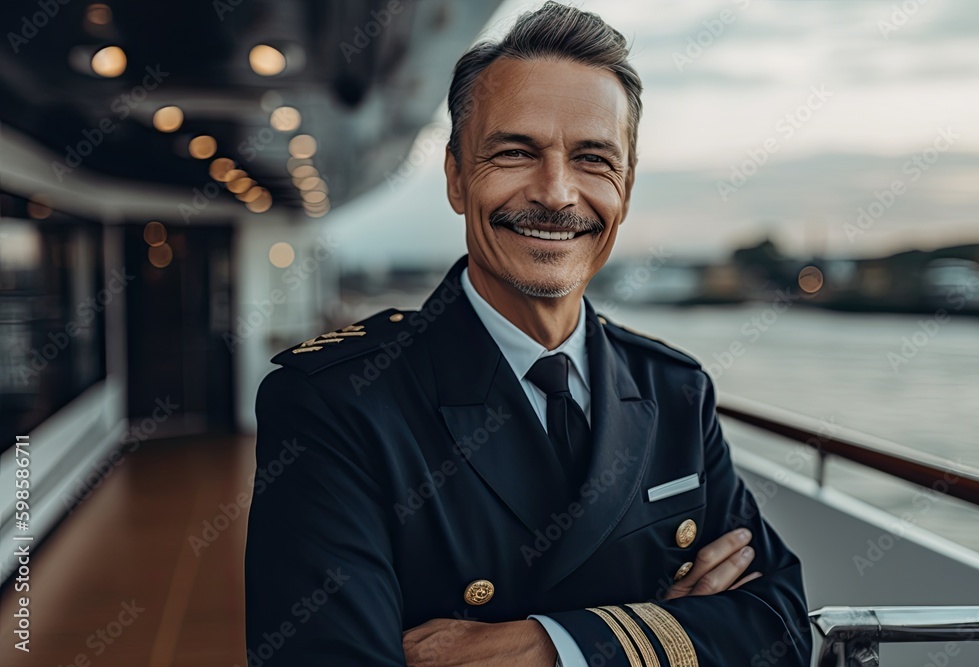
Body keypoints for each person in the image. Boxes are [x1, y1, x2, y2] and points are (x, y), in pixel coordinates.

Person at [244, 3, 811, 665]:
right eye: (516, 152)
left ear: (624, 189)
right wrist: (677, 626)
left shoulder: (676, 391)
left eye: (594, 159)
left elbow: (780, 629)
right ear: (457, 177)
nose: (556, 193)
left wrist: (552, 644)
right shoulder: (336, 402)